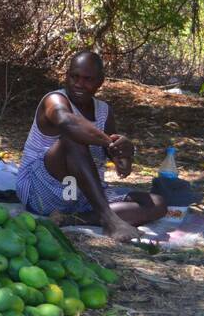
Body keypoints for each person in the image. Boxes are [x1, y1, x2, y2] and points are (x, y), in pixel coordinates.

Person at [15, 50, 166, 242]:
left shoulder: (104, 110)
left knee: (157, 203)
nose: (79, 84)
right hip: (42, 191)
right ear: (66, 76)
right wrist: (108, 141)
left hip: (82, 198)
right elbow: (67, 122)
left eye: (88, 79)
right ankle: (110, 220)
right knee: (72, 140)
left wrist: (125, 153)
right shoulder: (54, 100)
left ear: (100, 82)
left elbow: (114, 154)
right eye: (74, 77)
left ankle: (73, 219)